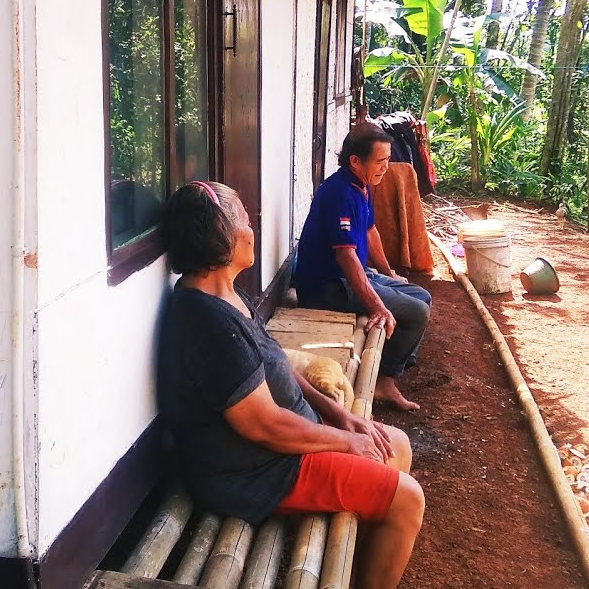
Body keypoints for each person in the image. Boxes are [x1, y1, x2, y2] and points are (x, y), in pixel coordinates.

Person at [158, 180, 425, 589]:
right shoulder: (207, 323)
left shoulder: (226, 295)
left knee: (397, 445)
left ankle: (365, 559)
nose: (253, 226)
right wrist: (343, 441)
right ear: (221, 235)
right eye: (245, 218)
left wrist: (337, 414)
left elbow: (274, 364)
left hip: (282, 446)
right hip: (258, 471)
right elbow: (263, 426)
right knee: (408, 499)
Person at [294, 123, 432, 411]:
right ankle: (385, 380)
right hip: (327, 287)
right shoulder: (339, 193)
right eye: (380, 161)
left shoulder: (361, 186)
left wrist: (389, 272)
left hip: (348, 276)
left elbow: (370, 232)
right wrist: (377, 305)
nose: (385, 167)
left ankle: (392, 368)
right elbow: (346, 258)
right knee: (417, 312)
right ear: (355, 161)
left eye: (388, 160)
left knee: (421, 295)